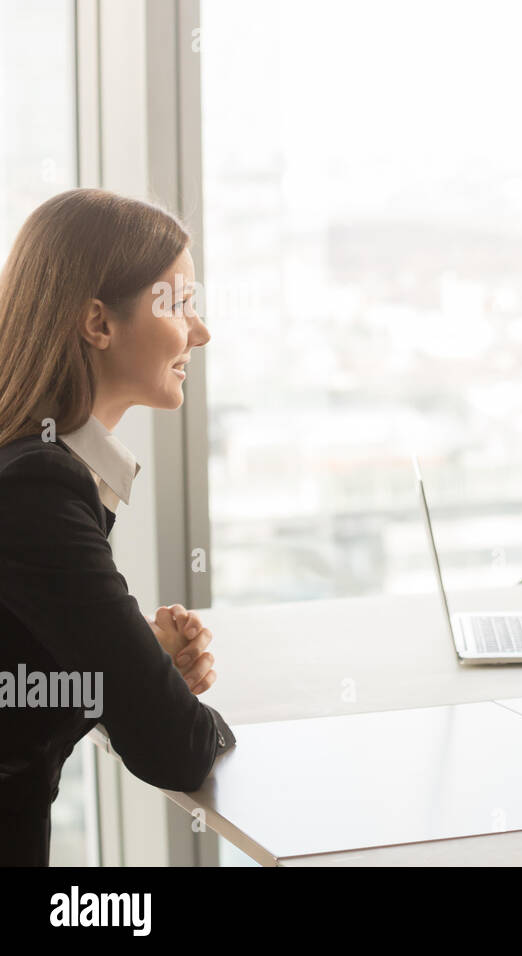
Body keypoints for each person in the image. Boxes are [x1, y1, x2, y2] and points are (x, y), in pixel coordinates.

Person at [0, 188, 236, 865]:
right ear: (99, 324)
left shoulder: (31, 467)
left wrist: (134, 660)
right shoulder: (35, 491)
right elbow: (177, 747)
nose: (201, 331)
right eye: (180, 304)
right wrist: (144, 682)